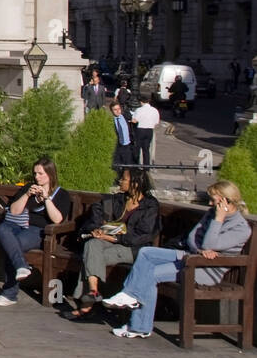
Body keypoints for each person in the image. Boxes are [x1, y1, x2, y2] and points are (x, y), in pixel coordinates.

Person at [103, 180, 252, 339]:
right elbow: (192, 239)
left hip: (206, 270)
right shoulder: (211, 213)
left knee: (150, 273)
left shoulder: (241, 228)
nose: (209, 203)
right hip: (191, 257)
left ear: (226, 200)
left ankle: (139, 325)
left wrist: (219, 219)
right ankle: (130, 297)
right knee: (146, 253)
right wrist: (201, 250)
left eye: (213, 199)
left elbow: (210, 243)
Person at [66, 167, 160, 319]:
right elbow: (97, 208)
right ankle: (93, 291)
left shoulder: (150, 205)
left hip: (132, 248)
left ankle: (87, 304)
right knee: (92, 244)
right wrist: (96, 229)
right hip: (108, 241)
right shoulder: (119, 199)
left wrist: (116, 239)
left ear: (135, 183)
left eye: (124, 179)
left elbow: (144, 235)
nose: (120, 181)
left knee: (91, 256)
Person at [0, 158, 72, 306]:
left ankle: (9, 294)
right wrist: (27, 195)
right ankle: (21, 266)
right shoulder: (28, 188)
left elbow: (57, 219)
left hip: (39, 230)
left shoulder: (61, 194)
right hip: (17, 225)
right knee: (3, 228)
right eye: (35, 173)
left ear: (51, 174)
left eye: (40, 173)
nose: (36, 177)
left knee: (14, 244)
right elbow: (14, 212)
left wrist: (46, 199)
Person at [129, 97, 159, 167]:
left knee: (137, 148)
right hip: (150, 131)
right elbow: (156, 122)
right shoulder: (155, 110)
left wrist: (130, 120)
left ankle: (136, 164)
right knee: (146, 149)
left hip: (140, 130)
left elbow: (134, 121)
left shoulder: (139, 110)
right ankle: (146, 167)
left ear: (141, 102)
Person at [110, 101, 135, 169]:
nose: (118, 111)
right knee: (116, 164)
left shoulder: (125, 116)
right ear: (111, 111)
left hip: (127, 144)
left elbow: (134, 121)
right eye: (115, 110)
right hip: (117, 145)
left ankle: (126, 177)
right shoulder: (110, 120)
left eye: (119, 109)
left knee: (127, 165)